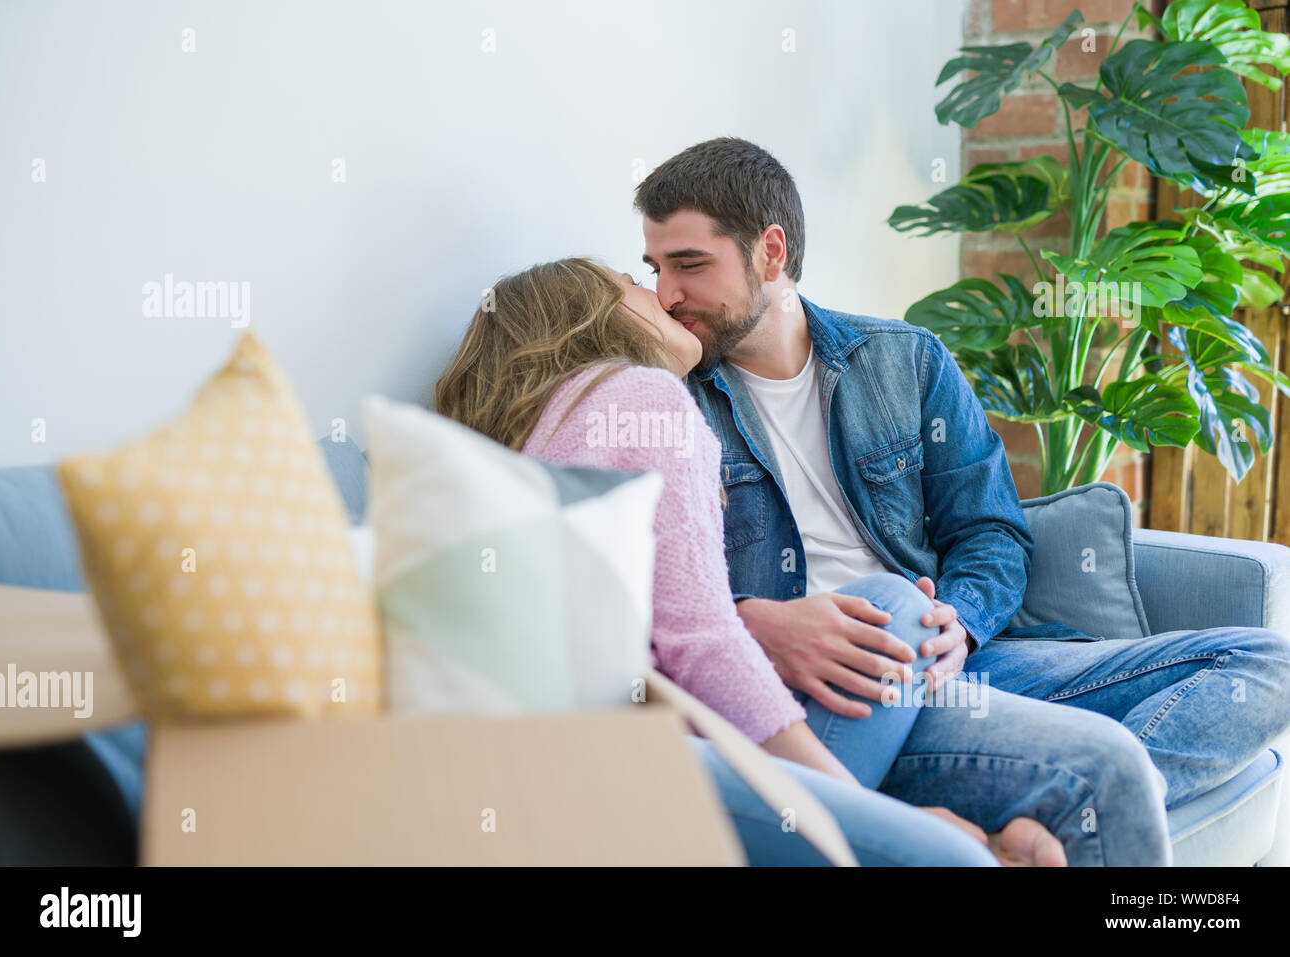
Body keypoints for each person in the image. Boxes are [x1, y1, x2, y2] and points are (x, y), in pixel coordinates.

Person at [629, 136, 1290, 859]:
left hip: (960, 664)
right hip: (827, 696)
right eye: (656, 269)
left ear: (771, 253)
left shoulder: (904, 361)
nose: (667, 295)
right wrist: (755, 621)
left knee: (1265, 662)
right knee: (1098, 762)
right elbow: (652, 602)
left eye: (690, 265)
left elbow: (992, 533)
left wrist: (961, 623)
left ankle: (1062, 799)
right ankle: (1052, 793)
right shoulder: (668, 402)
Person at [434, 257, 1162, 865]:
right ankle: (943, 835)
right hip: (673, 763)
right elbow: (699, 643)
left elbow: (645, 648)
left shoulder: (534, 444)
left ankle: (964, 835)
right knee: (897, 606)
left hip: (595, 752)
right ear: (590, 316)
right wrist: (843, 797)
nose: (659, 293)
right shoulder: (645, 399)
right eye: (635, 278)